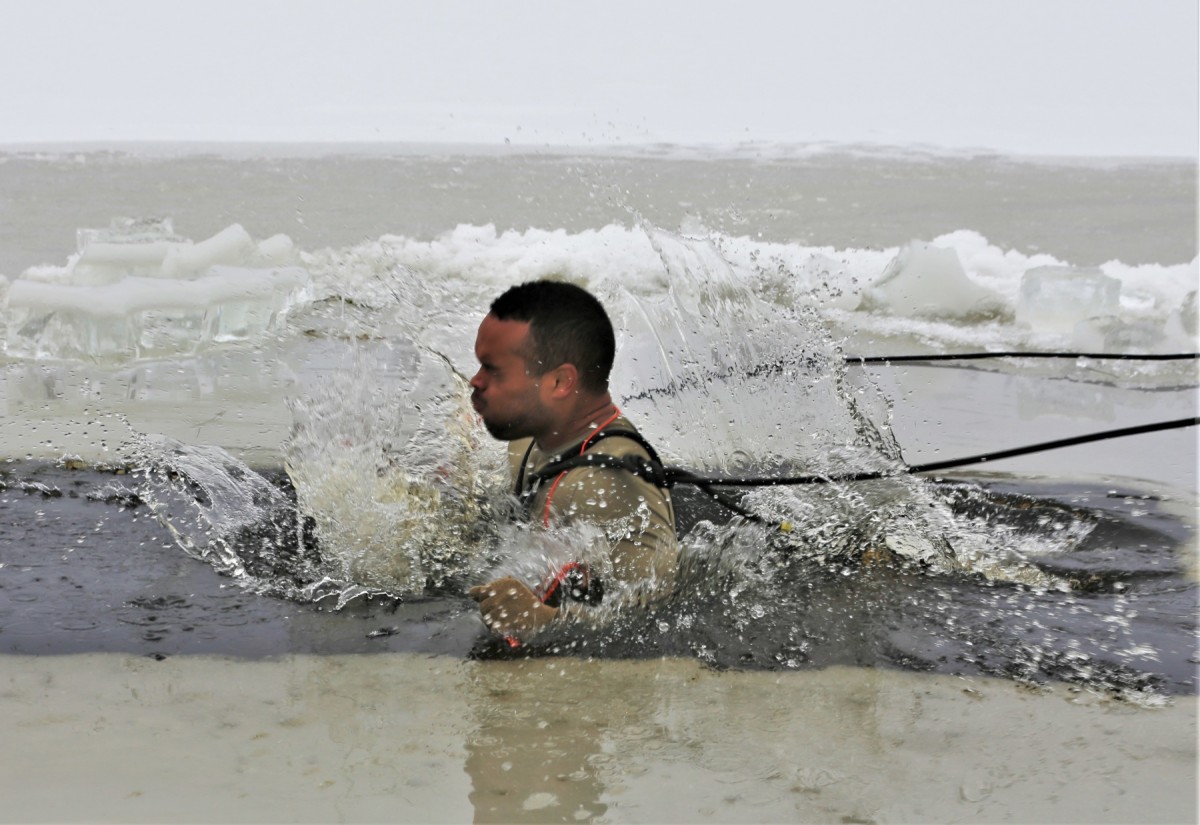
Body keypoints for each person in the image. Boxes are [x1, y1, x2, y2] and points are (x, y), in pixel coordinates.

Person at [466, 279, 676, 641]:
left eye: (493, 370)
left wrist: (545, 620)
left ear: (561, 382)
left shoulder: (609, 485)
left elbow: (660, 611)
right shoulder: (535, 432)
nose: (475, 380)